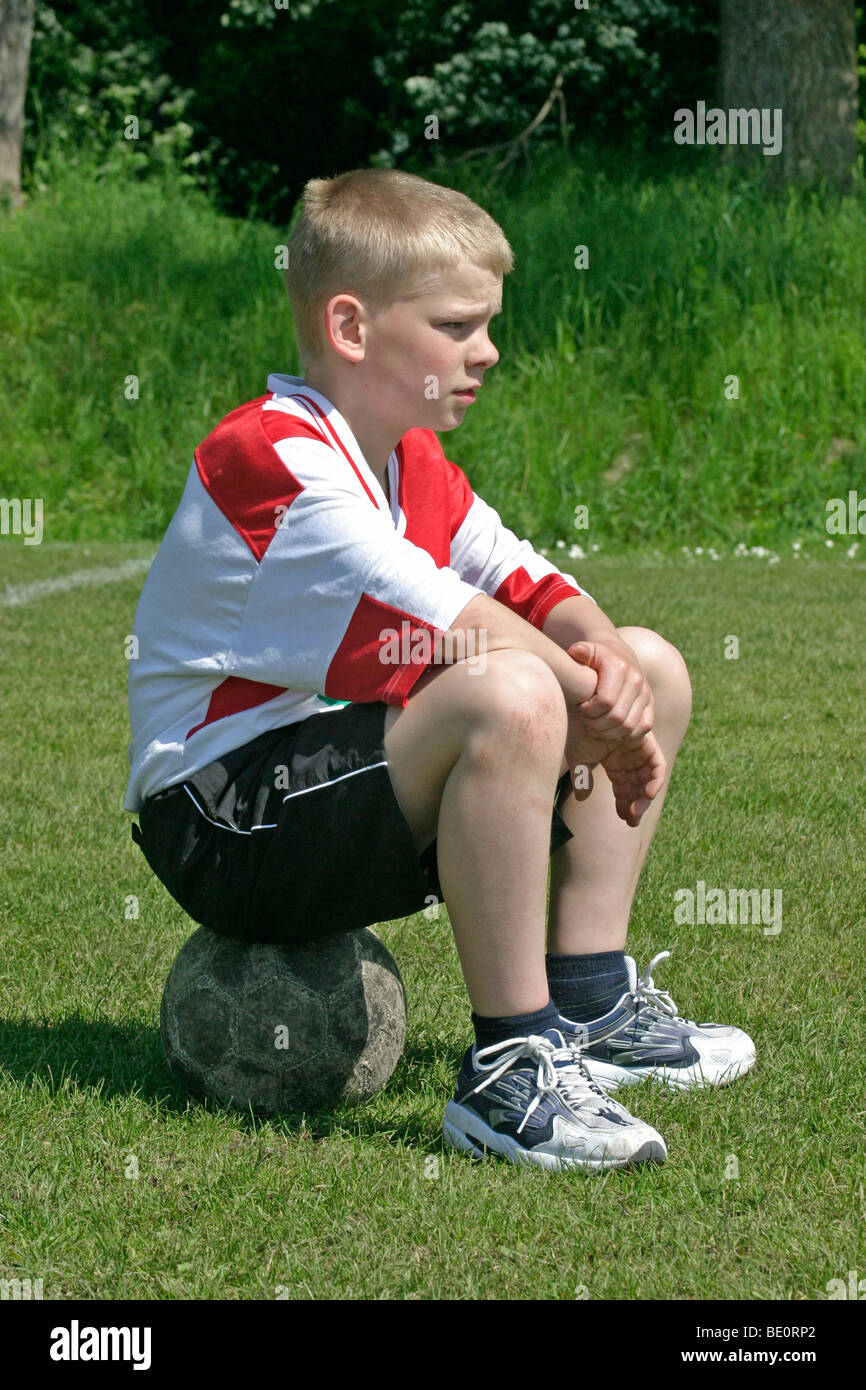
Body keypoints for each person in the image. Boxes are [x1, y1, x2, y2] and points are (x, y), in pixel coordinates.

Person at [125, 168, 755, 1173]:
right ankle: (509, 1067)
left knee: (650, 662)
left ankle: (588, 999)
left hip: (322, 788)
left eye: (487, 324)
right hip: (220, 817)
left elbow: (529, 583)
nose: (487, 351)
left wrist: (620, 693)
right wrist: (589, 710)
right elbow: (462, 631)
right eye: (458, 325)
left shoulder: (410, 461)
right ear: (350, 325)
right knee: (511, 690)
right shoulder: (272, 456)